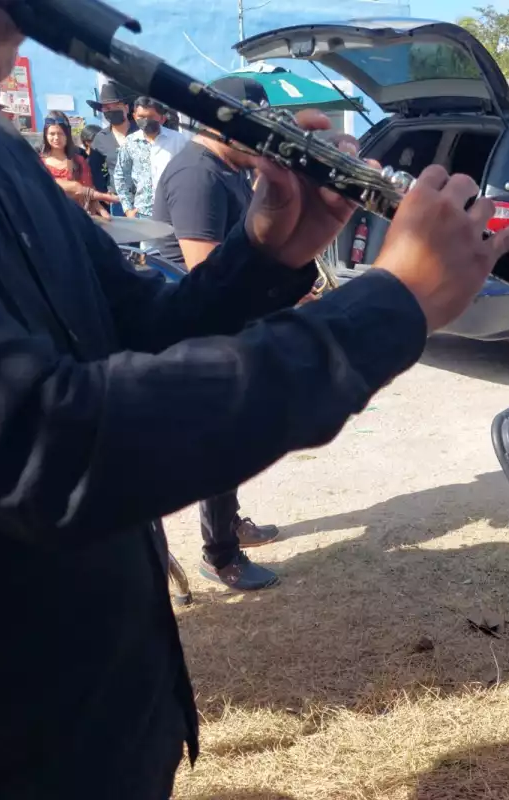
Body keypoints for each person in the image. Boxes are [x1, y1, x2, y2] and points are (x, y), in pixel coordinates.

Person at [0, 1, 509, 796]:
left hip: (112, 716)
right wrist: (392, 305)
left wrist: (263, 255)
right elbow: (44, 445)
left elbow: (136, 331)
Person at [152, 76, 292, 591]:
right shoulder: (197, 175)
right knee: (222, 438)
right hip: (200, 335)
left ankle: (230, 523)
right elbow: (205, 273)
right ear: (221, 123)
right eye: (253, 128)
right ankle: (220, 554)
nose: (262, 140)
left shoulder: (228, 169)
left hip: (225, 323)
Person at [112, 96, 188, 219]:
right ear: (135, 116)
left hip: (174, 210)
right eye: (141, 117)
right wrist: (128, 209)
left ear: (162, 118)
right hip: (143, 213)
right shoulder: (130, 142)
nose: (146, 121)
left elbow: (189, 173)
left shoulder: (178, 140)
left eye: (151, 117)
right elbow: (121, 176)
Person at [86, 80, 136, 215]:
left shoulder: (141, 133)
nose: (112, 111)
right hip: (117, 200)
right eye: (107, 108)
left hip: (144, 199)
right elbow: (93, 168)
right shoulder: (101, 138)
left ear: (126, 108)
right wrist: (103, 192)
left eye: (116, 106)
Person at [40, 116, 93, 188]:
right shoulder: (39, 163)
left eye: (60, 133)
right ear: (46, 136)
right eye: (52, 134)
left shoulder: (79, 161)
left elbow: (87, 190)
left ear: (67, 136)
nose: (56, 138)